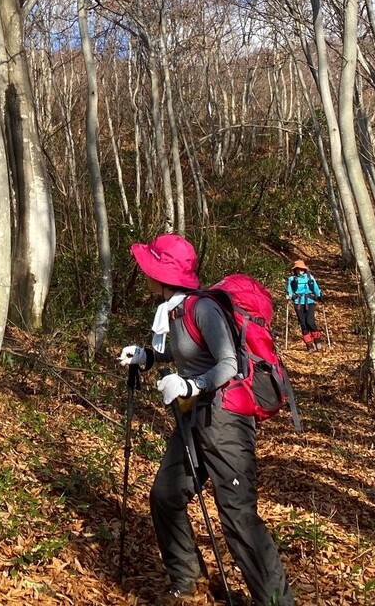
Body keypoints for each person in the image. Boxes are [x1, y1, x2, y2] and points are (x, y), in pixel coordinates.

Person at [119, 233, 294, 606]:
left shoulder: (203, 309)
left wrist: (191, 384)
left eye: (149, 266)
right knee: (165, 495)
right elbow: (186, 353)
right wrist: (148, 357)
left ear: (162, 273)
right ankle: (190, 583)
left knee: (239, 519)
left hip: (226, 420)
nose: (144, 272)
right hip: (194, 418)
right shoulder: (173, 309)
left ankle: (277, 602)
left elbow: (229, 364)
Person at [286, 260, 323, 350]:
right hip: (298, 302)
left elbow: (315, 288)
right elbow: (290, 290)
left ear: (304, 269)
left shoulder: (310, 278)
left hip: (309, 301)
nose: (300, 271)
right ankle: (309, 343)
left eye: (302, 269)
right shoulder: (292, 279)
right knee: (303, 324)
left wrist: (319, 295)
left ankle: (317, 339)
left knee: (310, 322)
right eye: (298, 269)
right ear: (295, 270)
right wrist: (289, 296)